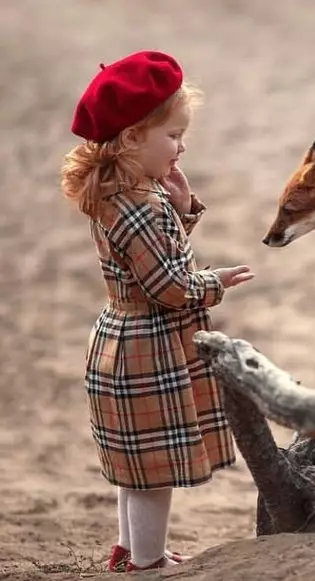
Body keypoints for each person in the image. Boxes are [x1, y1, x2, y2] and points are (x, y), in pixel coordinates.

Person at [60, 50, 255, 572]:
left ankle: (130, 550)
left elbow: (147, 261)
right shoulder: (139, 203)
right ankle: (148, 561)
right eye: (171, 135)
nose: (182, 145)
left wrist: (184, 210)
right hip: (148, 347)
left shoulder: (122, 194)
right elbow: (168, 285)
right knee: (154, 470)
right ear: (130, 138)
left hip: (124, 336)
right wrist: (215, 284)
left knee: (136, 466)